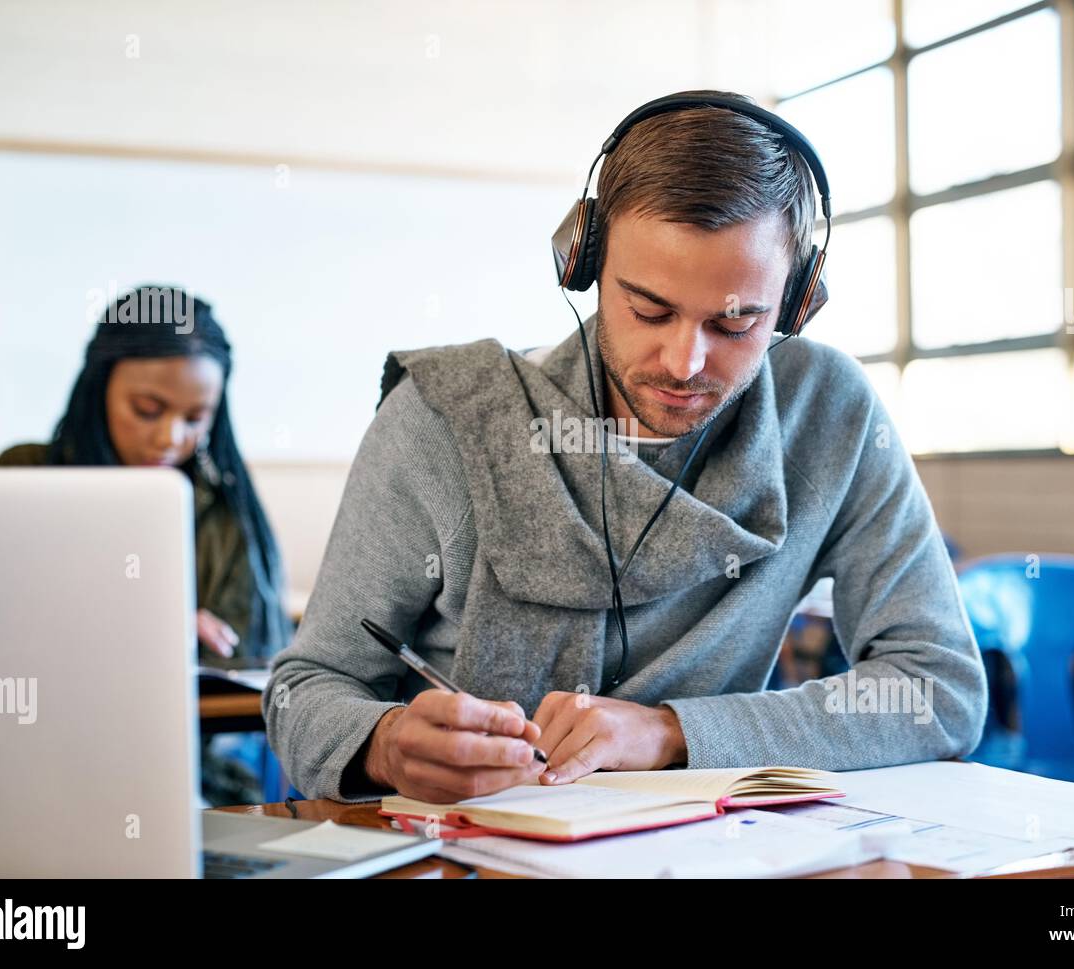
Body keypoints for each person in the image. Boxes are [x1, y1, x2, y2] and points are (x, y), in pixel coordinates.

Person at [264, 91, 987, 805]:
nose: (684, 362)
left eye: (735, 326)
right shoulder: (442, 419)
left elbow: (939, 685)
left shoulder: (826, 415)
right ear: (584, 263)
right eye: (649, 309)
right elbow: (304, 689)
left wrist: (672, 733)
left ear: (797, 302)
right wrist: (386, 744)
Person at [0, 284, 292, 802]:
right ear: (98, 388)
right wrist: (138, 622)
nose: (169, 438)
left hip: (181, 775)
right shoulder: (23, 476)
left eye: (195, 418)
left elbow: (242, 674)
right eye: (148, 409)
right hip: (20, 756)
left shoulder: (223, 513)